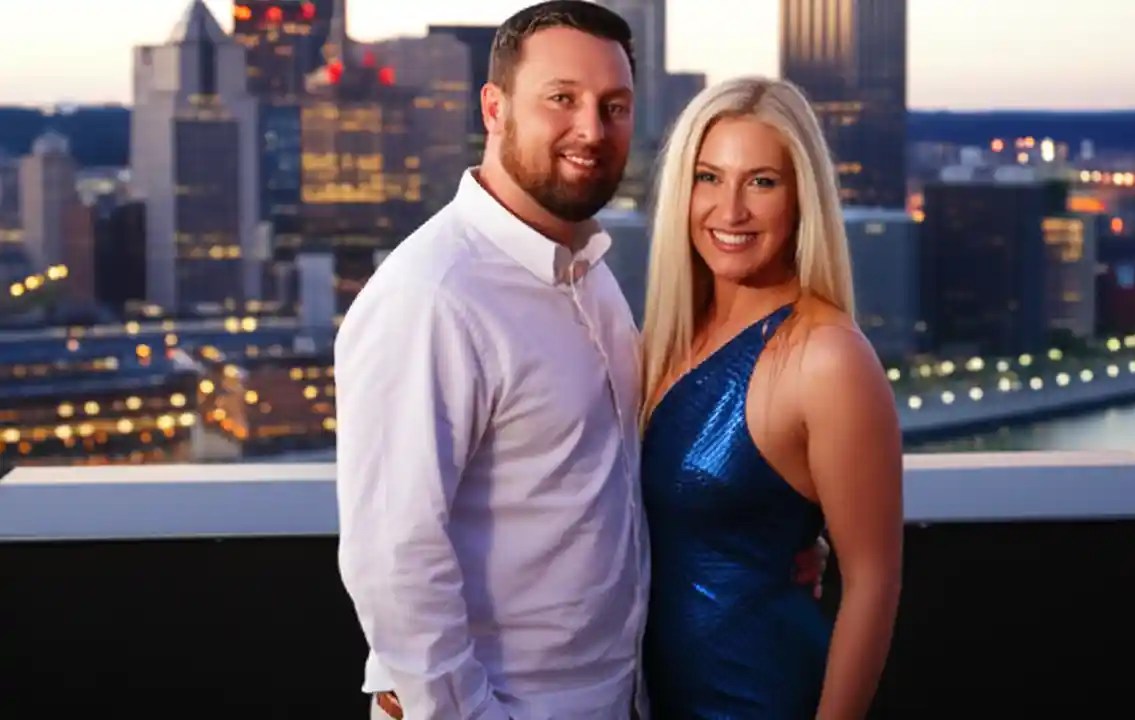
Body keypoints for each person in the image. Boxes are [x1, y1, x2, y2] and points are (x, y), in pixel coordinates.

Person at [334, 3, 647, 719]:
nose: (592, 130)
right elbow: (394, 556)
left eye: (614, 106)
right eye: (561, 98)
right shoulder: (433, 294)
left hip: (614, 695)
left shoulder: (591, 274)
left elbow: (607, 476)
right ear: (495, 108)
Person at [638, 76, 904, 718]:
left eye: (761, 182)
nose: (729, 211)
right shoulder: (663, 339)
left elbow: (873, 583)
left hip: (761, 696)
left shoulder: (828, 357)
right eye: (708, 177)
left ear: (801, 197)